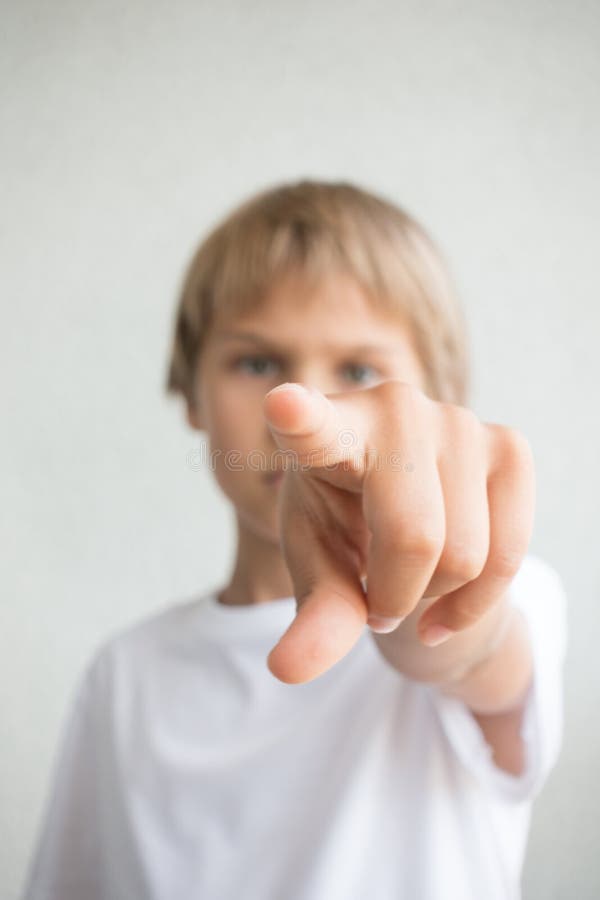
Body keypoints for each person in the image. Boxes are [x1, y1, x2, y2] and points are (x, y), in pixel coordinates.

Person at [22, 180, 568, 900]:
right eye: (256, 363)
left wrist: (425, 597)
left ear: (436, 398)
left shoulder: (496, 584)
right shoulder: (124, 677)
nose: (303, 414)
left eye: (361, 371)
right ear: (190, 392)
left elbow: (470, 649)